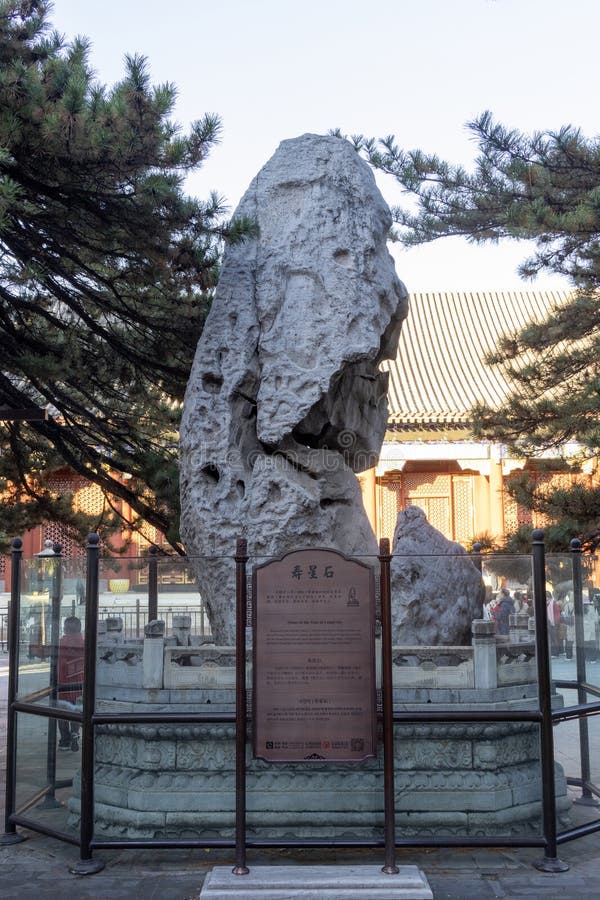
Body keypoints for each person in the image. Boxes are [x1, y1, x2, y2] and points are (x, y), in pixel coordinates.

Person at [57, 616, 84, 751]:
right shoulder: (84, 642)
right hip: (79, 682)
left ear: (66, 628)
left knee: (62, 711)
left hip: (63, 683)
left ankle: (64, 740)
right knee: (76, 709)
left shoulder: (61, 642)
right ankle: (75, 733)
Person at [547, 592, 562, 657]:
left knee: (555, 638)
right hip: (549, 623)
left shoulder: (553, 603)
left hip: (554, 623)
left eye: (547, 596)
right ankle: (554, 652)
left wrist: (555, 623)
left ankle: (556, 653)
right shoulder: (548, 603)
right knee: (552, 638)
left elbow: (557, 613)